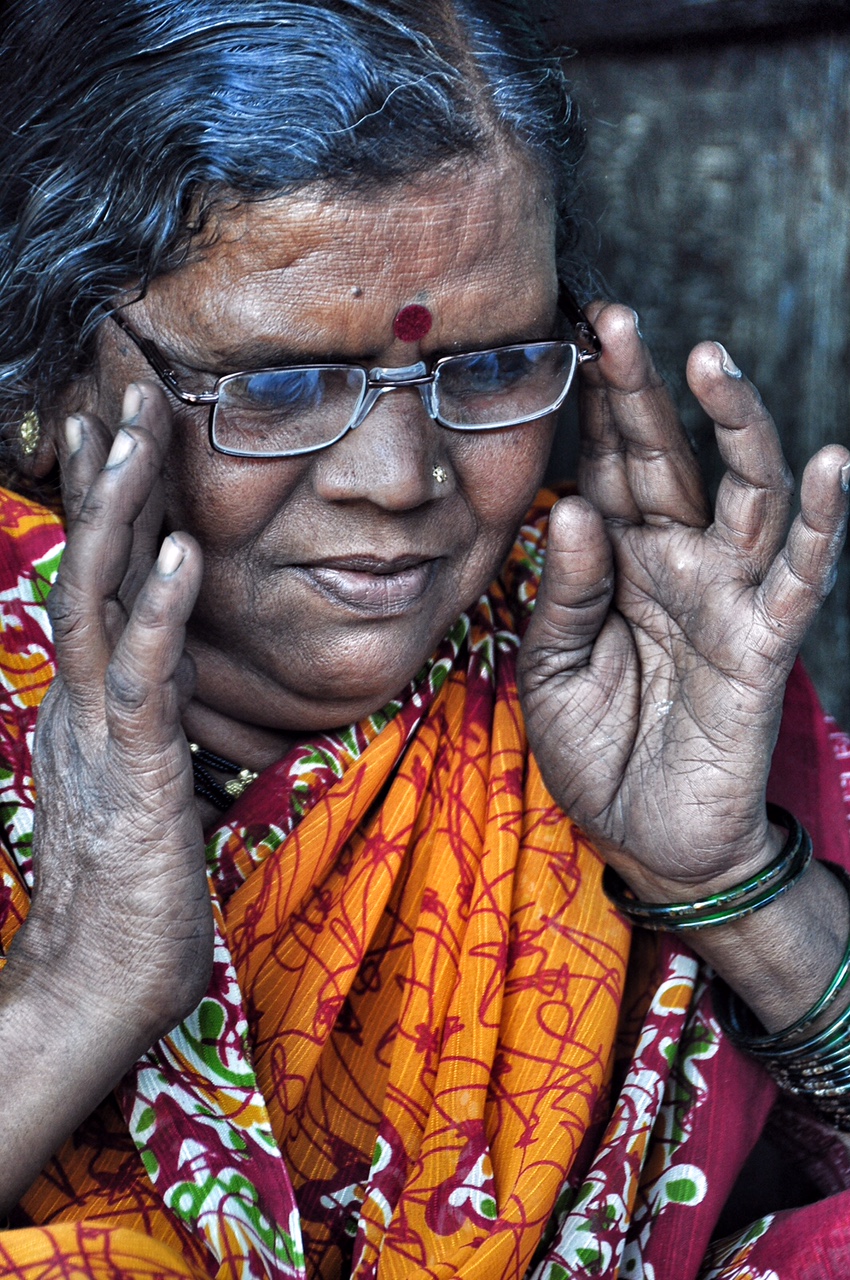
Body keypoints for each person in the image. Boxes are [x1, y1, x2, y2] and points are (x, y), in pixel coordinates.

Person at [0, 1, 849, 1277]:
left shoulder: (628, 674)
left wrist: (727, 877)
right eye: (280, 385)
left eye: (493, 367)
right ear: (46, 378)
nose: (399, 478)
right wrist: (75, 983)